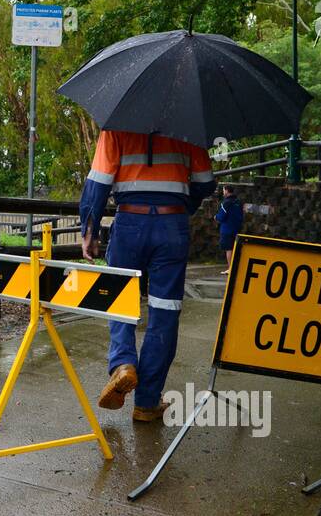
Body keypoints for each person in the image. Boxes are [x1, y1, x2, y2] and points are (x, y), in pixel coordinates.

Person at [80, 130, 214, 422]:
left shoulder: (116, 126)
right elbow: (205, 183)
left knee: (119, 298)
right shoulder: (189, 122)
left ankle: (123, 363)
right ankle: (147, 402)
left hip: (130, 221)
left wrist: (88, 231)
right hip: (172, 225)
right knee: (165, 311)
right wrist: (182, 206)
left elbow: (99, 183)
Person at [214, 184, 244, 274]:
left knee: (229, 249)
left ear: (227, 191)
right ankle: (237, 267)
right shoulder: (238, 202)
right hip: (237, 228)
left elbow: (221, 216)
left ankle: (231, 268)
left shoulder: (226, 202)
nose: (223, 192)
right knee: (236, 248)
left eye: (223, 190)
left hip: (227, 229)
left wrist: (216, 217)